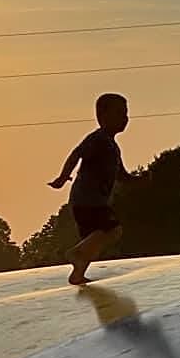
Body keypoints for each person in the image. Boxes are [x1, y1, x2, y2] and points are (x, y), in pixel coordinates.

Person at [48, 93, 130, 285]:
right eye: (119, 113)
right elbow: (76, 154)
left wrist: (142, 180)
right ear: (102, 115)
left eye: (126, 114)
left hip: (89, 202)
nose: (125, 118)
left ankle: (77, 274)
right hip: (88, 200)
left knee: (93, 244)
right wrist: (62, 177)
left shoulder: (113, 147)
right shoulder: (97, 139)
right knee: (112, 230)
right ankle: (75, 254)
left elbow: (122, 176)